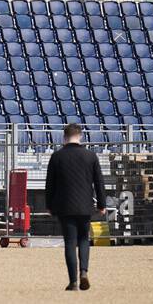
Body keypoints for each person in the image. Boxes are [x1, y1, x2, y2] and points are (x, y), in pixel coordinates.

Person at [44, 123, 107, 291]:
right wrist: (102, 204)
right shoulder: (90, 156)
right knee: (84, 239)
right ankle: (84, 272)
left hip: (64, 206)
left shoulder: (57, 157)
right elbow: (99, 182)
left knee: (70, 242)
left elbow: (49, 184)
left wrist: (49, 204)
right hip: (85, 205)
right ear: (80, 136)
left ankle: (73, 281)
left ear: (64, 137)